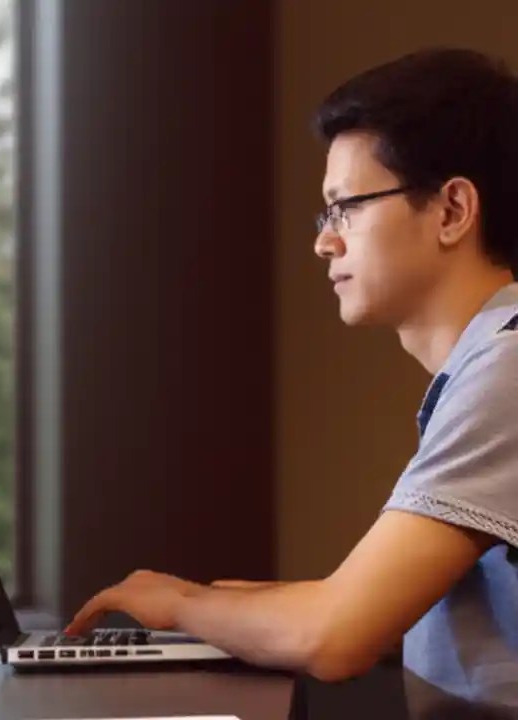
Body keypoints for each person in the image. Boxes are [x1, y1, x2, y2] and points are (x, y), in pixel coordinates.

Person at [64, 48, 518, 709]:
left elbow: (335, 636)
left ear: (451, 210)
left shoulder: (506, 373)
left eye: (346, 207)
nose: (324, 242)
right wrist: (223, 601)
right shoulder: (489, 364)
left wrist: (179, 606)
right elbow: (363, 606)